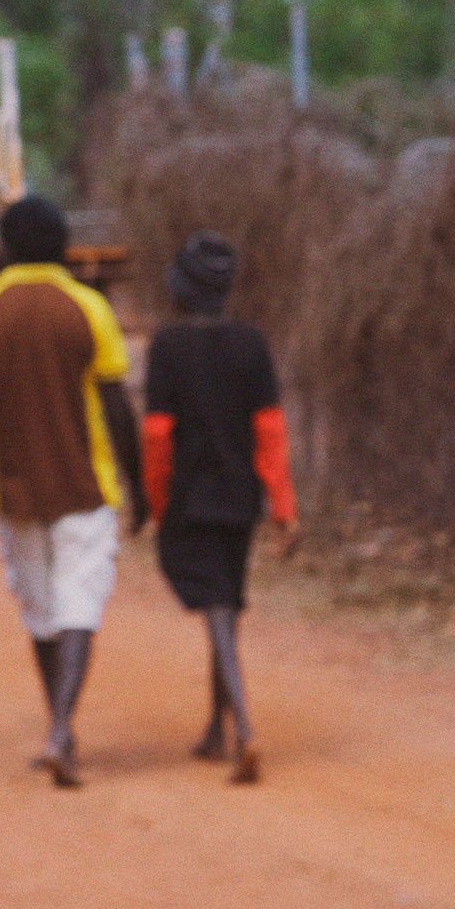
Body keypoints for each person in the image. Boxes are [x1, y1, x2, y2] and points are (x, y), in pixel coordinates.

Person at [0, 196, 143, 789]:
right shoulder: (90, 308)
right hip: (88, 485)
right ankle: (61, 728)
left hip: (15, 489)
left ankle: (59, 729)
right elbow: (115, 403)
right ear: (63, 246)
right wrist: (138, 484)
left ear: (4, 247)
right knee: (79, 604)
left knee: (39, 610)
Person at [142, 231, 298, 783]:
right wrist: (283, 507)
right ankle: (215, 727)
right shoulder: (251, 344)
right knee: (225, 606)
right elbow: (270, 431)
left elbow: (158, 435)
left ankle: (246, 731)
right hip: (241, 497)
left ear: (180, 289)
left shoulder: (167, 347)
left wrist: (158, 503)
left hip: (191, 496)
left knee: (216, 610)